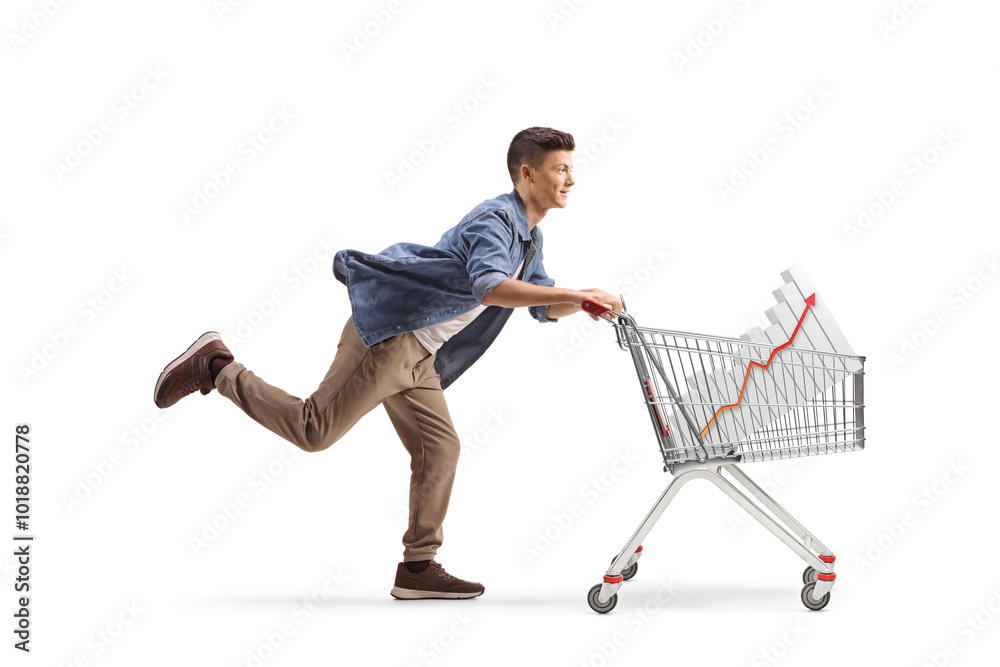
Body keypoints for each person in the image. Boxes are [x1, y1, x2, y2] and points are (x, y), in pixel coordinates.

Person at [153, 126, 622, 600]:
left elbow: (541, 306)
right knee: (314, 430)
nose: (571, 179)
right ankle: (216, 366)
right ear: (528, 173)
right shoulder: (497, 220)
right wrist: (573, 294)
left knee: (440, 449)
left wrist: (583, 303)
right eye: (561, 168)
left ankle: (418, 568)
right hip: (391, 338)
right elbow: (489, 286)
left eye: (570, 169)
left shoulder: (529, 239)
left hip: (420, 357)